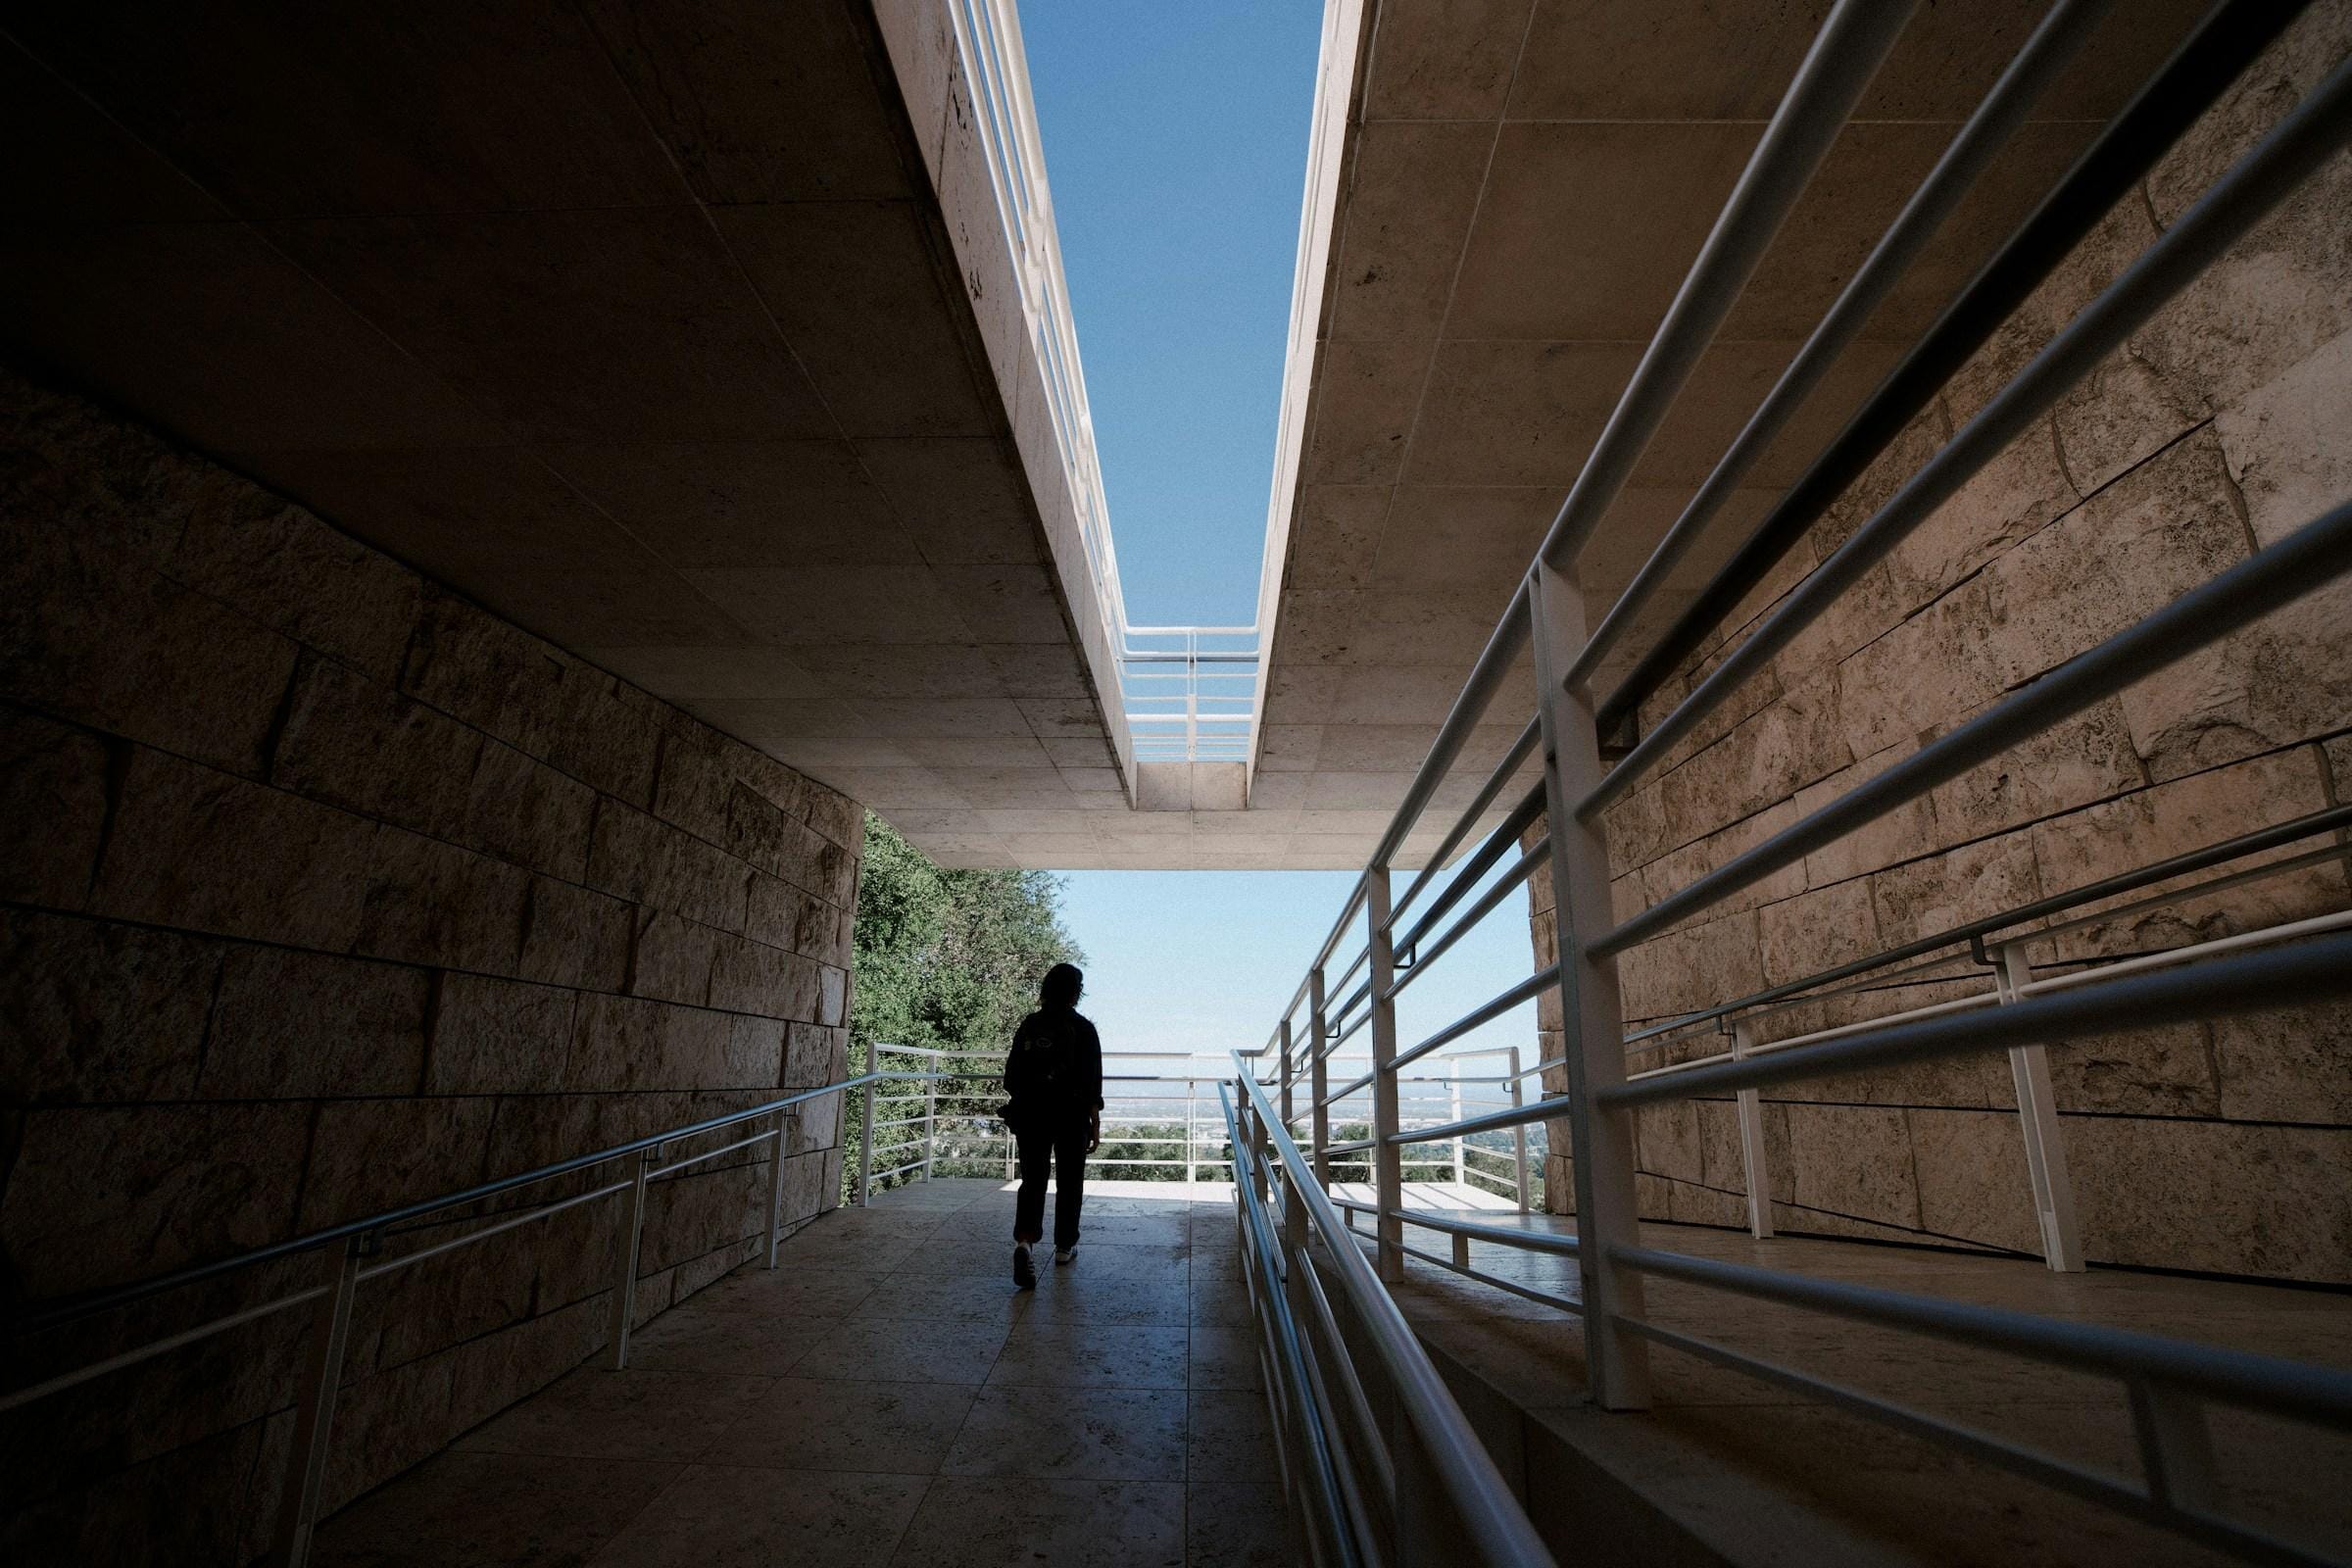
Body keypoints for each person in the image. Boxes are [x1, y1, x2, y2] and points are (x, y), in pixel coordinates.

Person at [1003, 961, 1102, 1290]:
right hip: (1071, 1116)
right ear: (1075, 993)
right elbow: (1091, 1082)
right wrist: (1094, 1121)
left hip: (1031, 1114)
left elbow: (1011, 1076)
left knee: (1033, 1181)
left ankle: (1025, 1241)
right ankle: (1064, 1246)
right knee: (1070, 1181)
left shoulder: (1030, 1025)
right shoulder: (1083, 1029)